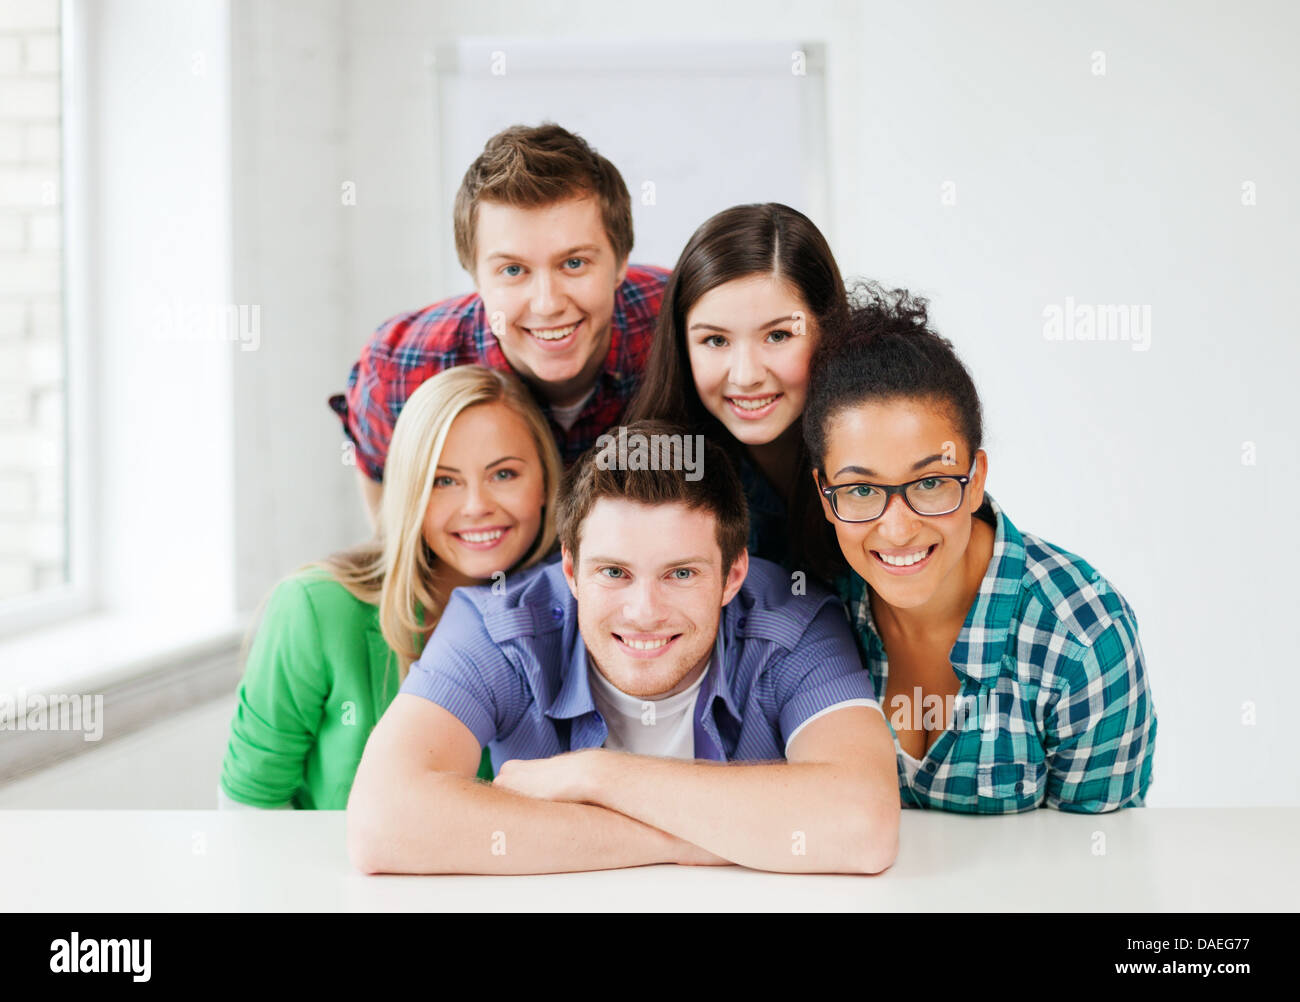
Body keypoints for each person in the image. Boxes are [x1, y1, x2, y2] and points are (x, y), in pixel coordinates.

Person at [346, 419, 900, 874]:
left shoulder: (795, 623)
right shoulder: (497, 627)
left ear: (734, 575)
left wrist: (595, 775)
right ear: (571, 569)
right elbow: (383, 820)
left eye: (681, 574)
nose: (644, 612)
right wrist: (695, 840)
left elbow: (864, 822)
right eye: (613, 572)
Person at [803, 283, 1157, 813]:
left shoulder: (1085, 638)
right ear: (825, 497)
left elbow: (1101, 867)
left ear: (975, 480)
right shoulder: (818, 611)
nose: (897, 530)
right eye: (860, 490)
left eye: (929, 484)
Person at [220, 366, 562, 809]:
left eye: (504, 475)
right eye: (444, 481)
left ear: (545, 484)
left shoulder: (574, 615)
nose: (477, 506)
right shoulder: (315, 609)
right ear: (408, 492)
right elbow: (249, 810)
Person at [331, 122, 669, 528]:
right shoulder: (401, 367)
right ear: (475, 277)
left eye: (574, 263)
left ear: (620, 263)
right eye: (513, 270)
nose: (547, 304)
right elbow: (392, 527)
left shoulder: (683, 323)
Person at [625, 203, 846, 582]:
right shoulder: (658, 467)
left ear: (828, 330)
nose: (745, 376)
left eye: (777, 336)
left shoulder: (878, 441)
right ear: (682, 345)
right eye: (715, 340)